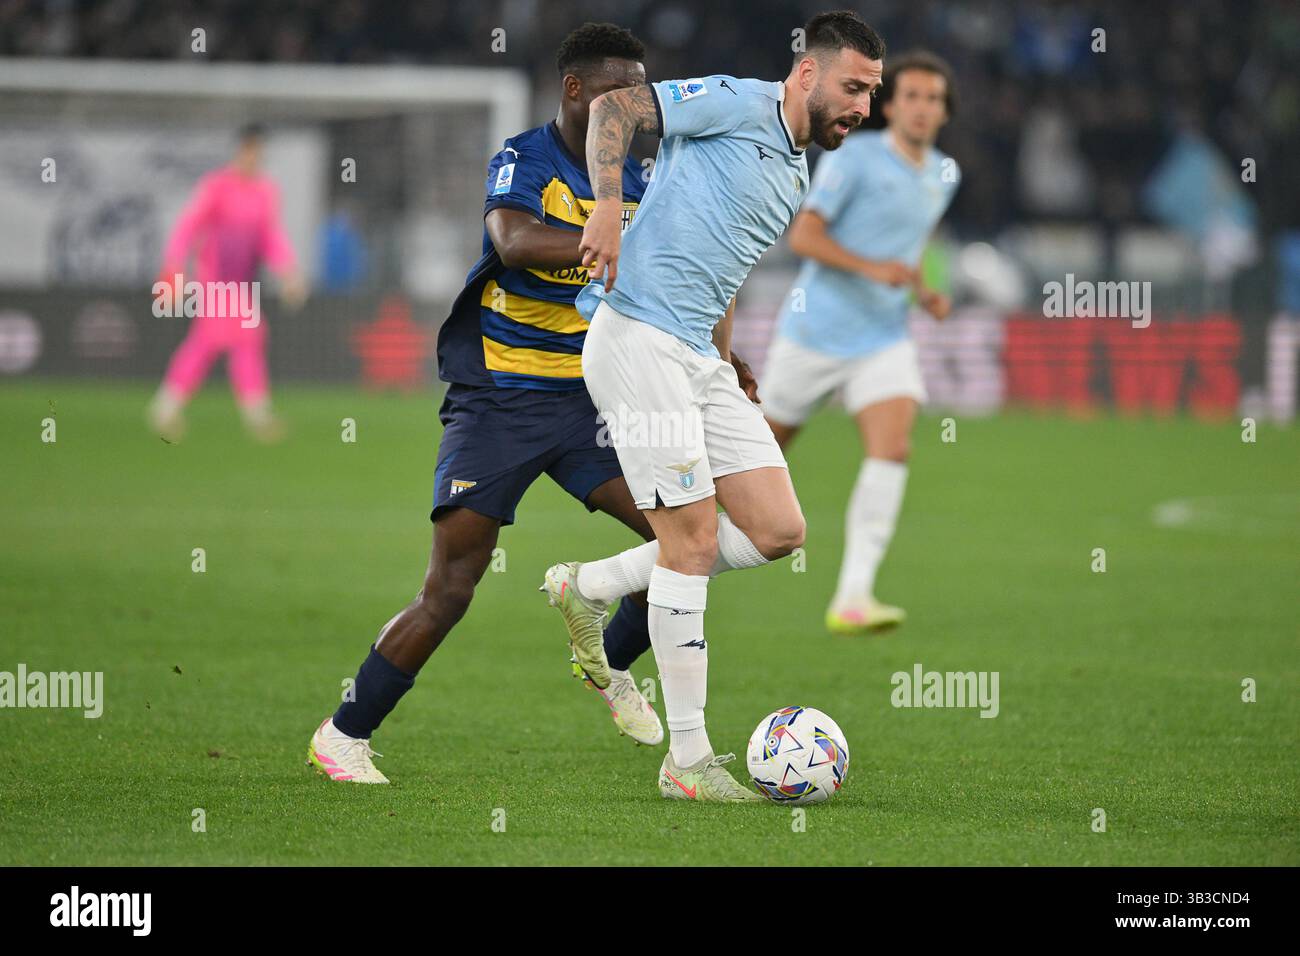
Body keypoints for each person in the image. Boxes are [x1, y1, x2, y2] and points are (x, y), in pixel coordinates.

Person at [307, 22, 672, 784]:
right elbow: (510, 241)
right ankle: (344, 734)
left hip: (587, 406)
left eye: (639, 95)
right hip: (499, 402)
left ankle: (608, 660)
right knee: (452, 587)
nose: (631, 108)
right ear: (575, 90)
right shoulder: (527, 156)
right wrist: (610, 238)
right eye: (617, 91)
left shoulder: (637, 179)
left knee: (683, 542)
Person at [544, 11, 886, 802]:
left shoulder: (798, 173)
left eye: (872, 92)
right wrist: (603, 205)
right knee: (691, 541)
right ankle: (688, 764)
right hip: (636, 341)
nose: (863, 107)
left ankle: (589, 585)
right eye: (853, 87)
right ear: (808, 73)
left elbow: (722, 267)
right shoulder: (736, 102)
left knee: (778, 530)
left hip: (697, 356)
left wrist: (728, 358)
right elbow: (614, 109)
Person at [762, 50, 960, 634]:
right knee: (756, 468)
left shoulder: (945, 173)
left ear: (945, 112)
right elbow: (805, 235)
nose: (924, 108)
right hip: (814, 334)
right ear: (892, 105)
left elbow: (913, 240)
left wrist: (924, 290)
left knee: (893, 448)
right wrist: (875, 269)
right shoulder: (856, 159)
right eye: (914, 96)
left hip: (883, 340)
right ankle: (667, 557)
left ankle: (853, 597)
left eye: (935, 99)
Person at [148, 123, 307, 443]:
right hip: (214, 281)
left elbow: (269, 237)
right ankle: (254, 415)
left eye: (258, 152)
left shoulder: (265, 192)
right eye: (249, 150)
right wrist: (174, 268)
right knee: (241, 336)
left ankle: (168, 407)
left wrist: (288, 270)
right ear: (240, 150)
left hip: (242, 285)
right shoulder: (217, 187)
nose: (253, 157)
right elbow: (188, 227)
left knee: (220, 342)